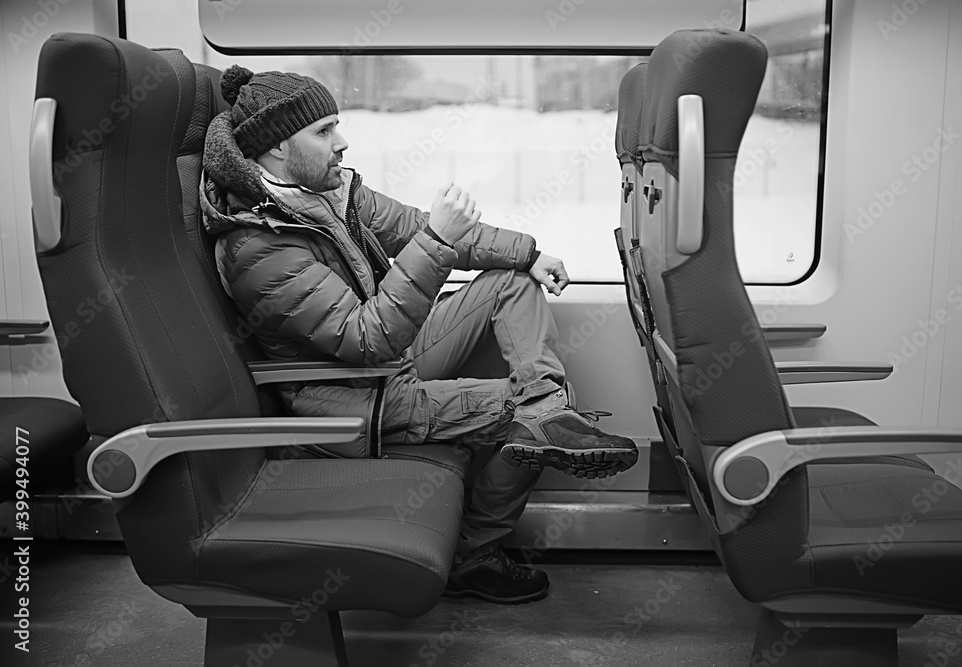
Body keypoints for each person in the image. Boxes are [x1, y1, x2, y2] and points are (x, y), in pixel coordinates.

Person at [199, 65, 638, 604]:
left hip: (391, 364)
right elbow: (366, 339)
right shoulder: (257, 246)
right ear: (276, 148)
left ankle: (545, 405)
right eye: (324, 131)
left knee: (511, 283)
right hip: (354, 398)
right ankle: (475, 553)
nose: (342, 142)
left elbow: (411, 228)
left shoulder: (329, 195)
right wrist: (436, 240)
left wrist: (529, 253)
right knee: (528, 418)